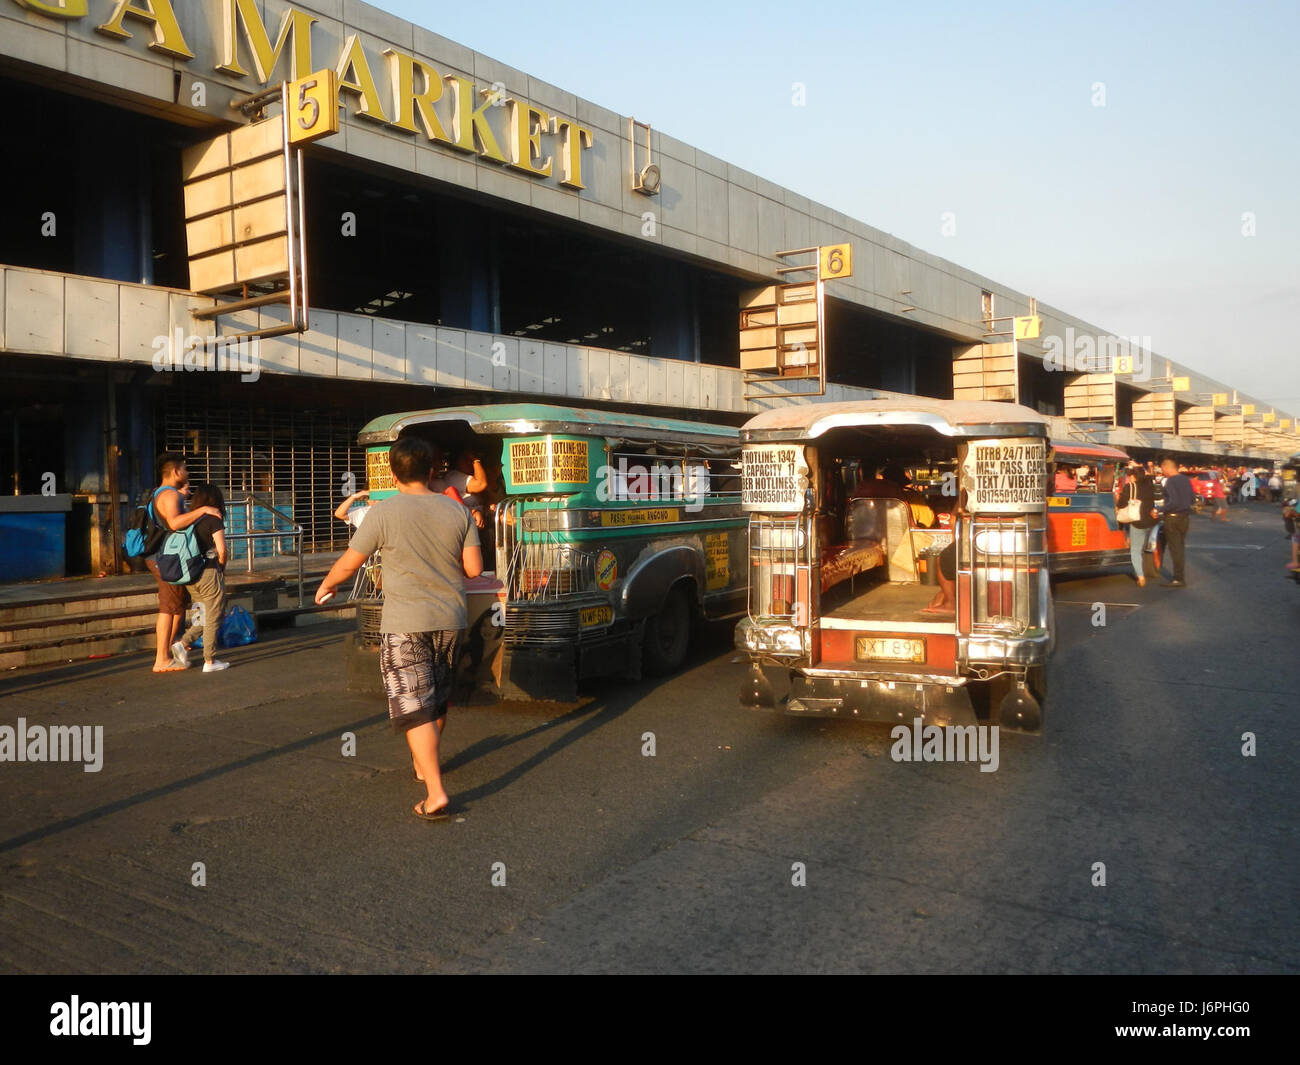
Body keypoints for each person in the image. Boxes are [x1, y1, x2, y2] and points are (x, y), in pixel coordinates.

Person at [315, 436, 482, 822]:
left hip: (406, 621)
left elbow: (350, 561)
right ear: (430, 471)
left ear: (393, 473)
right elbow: (474, 569)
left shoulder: (384, 513)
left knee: (413, 703)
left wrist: (327, 585)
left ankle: (436, 791)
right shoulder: (456, 509)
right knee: (436, 695)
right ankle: (425, 766)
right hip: (450, 617)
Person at [147, 454, 220, 673]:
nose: (187, 474)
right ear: (176, 471)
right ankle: (162, 658)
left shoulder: (160, 494)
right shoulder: (169, 495)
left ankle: (173, 650)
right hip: (167, 560)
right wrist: (203, 509)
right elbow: (174, 522)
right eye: (185, 469)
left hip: (168, 559)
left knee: (178, 607)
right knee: (169, 608)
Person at [171, 483, 230, 672]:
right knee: (213, 614)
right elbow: (222, 550)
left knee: (200, 614)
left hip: (190, 574)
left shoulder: (190, 519)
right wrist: (221, 567)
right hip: (208, 573)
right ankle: (210, 661)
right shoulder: (213, 519)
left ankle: (183, 643)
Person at [1121, 462, 1159, 587]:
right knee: (1144, 546)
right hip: (1151, 521)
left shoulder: (1130, 487)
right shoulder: (1150, 485)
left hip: (1138, 522)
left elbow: (1120, 504)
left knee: (1135, 550)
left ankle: (1141, 576)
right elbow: (1150, 476)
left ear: (1133, 477)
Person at [1158, 457, 1193, 587]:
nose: (1162, 472)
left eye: (1162, 469)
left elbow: (1173, 502)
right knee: (1180, 548)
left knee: (1175, 549)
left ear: (1166, 467)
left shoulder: (1171, 481)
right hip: (1185, 517)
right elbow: (1192, 499)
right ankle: (1180, 576)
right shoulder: (1185, 479)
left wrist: (1159, 509)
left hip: (1172, 518)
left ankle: (1179, 578)